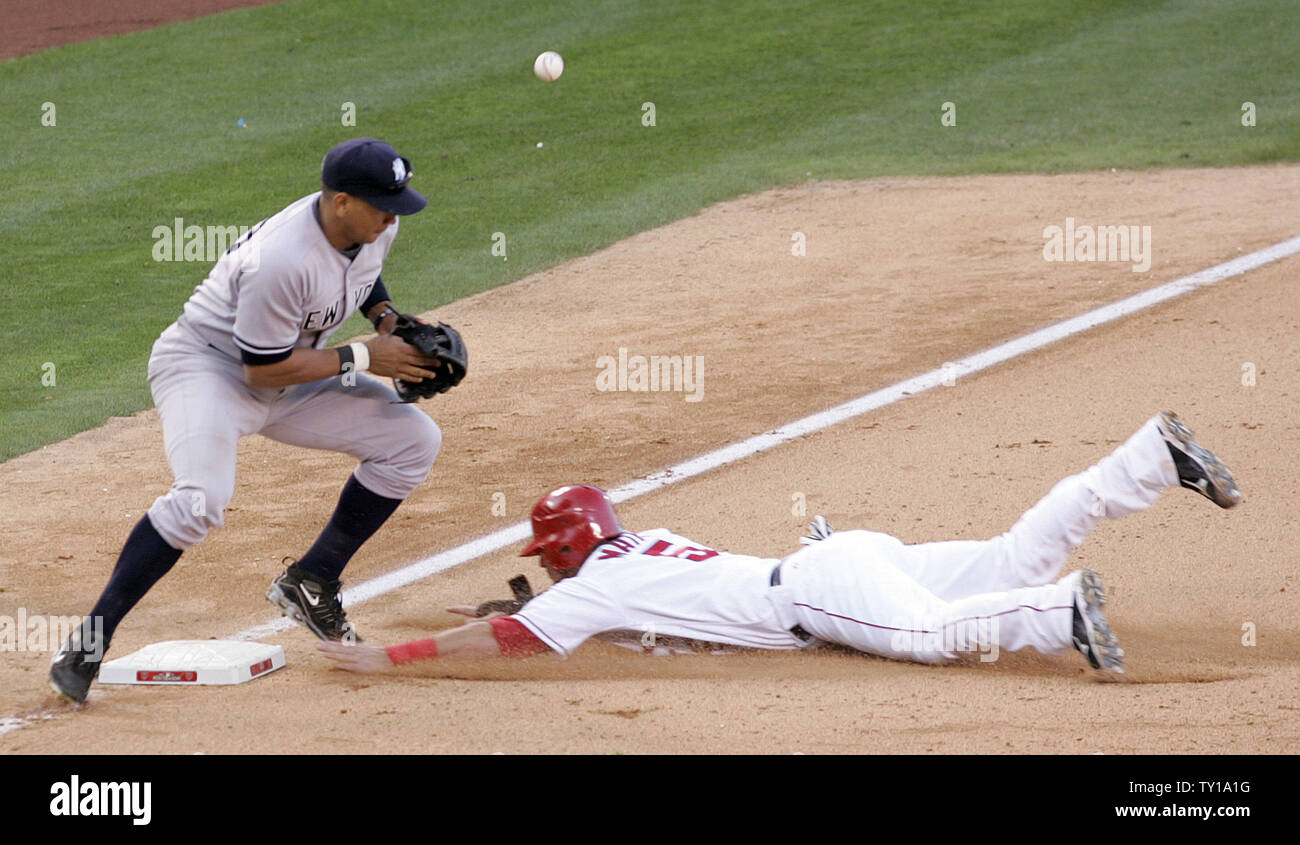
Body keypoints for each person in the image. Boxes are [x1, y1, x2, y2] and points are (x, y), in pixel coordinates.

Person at [319, 411, 1242, 676]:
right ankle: (1144, 459)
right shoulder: (641, 550)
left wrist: (390, 656)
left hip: (815, 593)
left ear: (562, 549)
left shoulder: (591, 588)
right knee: (1005, 556)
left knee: (937, 636)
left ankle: (1057, 613)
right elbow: (599, 608)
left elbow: (521, 639)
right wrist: (523, 604)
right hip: (847, 557)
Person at [51, 138, 458, 704]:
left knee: (413, 440)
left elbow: (365, 278)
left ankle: (312, 580)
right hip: (210, 370)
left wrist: (386, 318)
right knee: (201, 500)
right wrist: (366, 357)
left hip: (296, 369)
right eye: (381, 205)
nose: (393, 216)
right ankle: (89, 643)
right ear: (341, 202)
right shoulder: (282, 260)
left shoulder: (373, 223)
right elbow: (262, 371)